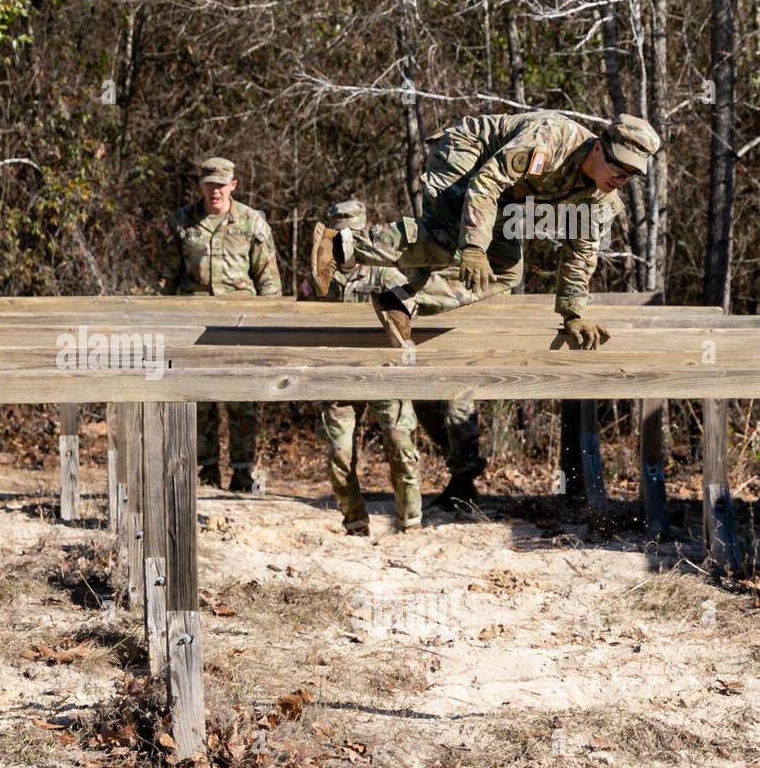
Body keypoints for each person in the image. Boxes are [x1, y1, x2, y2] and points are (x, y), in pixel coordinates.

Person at [311, 111, 660, 505]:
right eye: (618, 166)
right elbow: (487, 181)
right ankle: (342, 245)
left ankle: (403, 300)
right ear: (599, 148)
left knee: (506, 271)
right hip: (468, 153)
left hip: (505, 194)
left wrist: (573, 311)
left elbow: (581, 253)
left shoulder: (601, 201)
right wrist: (474, 246)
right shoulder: (549, 139)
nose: (621, 178)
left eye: (631, 175)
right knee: (449, 238)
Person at [160, 156, 281, 491]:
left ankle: (242, 470)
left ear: (233, 185)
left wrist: (269, 326)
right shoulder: (182, 222)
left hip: (239, 325)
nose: (215, 191)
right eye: (209, 184)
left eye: (221, 184)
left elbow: (268, 279)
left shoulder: (251, 222)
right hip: (192, 323)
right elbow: (167, 277)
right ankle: (206, 469)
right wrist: (161, 321)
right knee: (199, 400)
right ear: (200, 185)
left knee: (241, 399)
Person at [312, 201, 421, 534]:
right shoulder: (320, 275)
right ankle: (355, 521)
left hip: (385, 374)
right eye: (339, 231)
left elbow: (412, 316)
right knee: (339, 453)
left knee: (402, 447)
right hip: (338, 375)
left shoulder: (386, 270)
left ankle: (410, 522)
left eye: (353, 232)